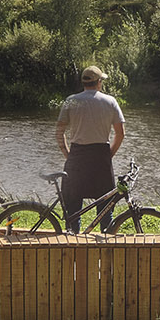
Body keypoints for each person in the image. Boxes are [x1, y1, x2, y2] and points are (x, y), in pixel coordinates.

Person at [55, 64, 124, 233]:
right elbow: (120, 134)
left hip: (77, 157)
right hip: (101, 158)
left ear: (83, 82)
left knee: (73, 207)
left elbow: (59, 132)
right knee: (105, 206)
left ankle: (73, 239)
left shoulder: (71, 100)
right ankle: (105, 238)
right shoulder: (110, 101)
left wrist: (67, 154)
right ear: (99, 82)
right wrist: (109, 155)